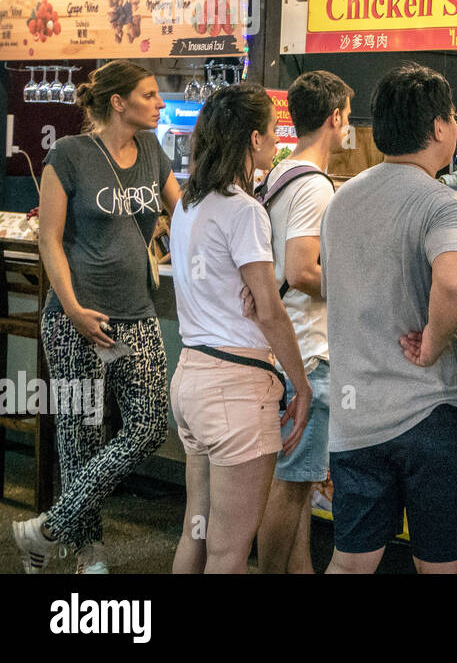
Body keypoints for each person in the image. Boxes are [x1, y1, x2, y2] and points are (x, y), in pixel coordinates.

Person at [13, 61, 178, 574]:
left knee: (149, 425)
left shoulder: (153, 151)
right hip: (76, 318)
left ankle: (46, 528)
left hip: (136, 313)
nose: (160, 103)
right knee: (80, 432)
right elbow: (50, 238)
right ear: (117, 102)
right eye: (149, 95)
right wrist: (72, 307)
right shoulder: (69, 155)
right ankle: (89, 551)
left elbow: (187, 210)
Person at [320, 64, 457, 574]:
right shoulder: (444, 204)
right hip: (430, 412)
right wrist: (434, 340)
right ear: (439, 128)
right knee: (438, 567)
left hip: (355, 416)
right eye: (454, 117)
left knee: (350, 563)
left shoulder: (340, 198)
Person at [169, 84, 312, 574]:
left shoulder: (188, 204)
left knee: (198, 529)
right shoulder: (243, 209)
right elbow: (269, 311)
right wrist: (303, 384)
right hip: (235, 389)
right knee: (230, 552)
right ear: (254, 139)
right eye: (273, 133)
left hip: (191, 378)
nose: (276, 142)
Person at [255, 71, 352, 574]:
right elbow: (300, 269)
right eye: (348, 117)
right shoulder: (314, 185)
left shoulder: (278, 173)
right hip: (307, 353)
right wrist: (355, 288)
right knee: (291, 487)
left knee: (297, 482)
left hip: (281, 347)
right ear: (336, 118)